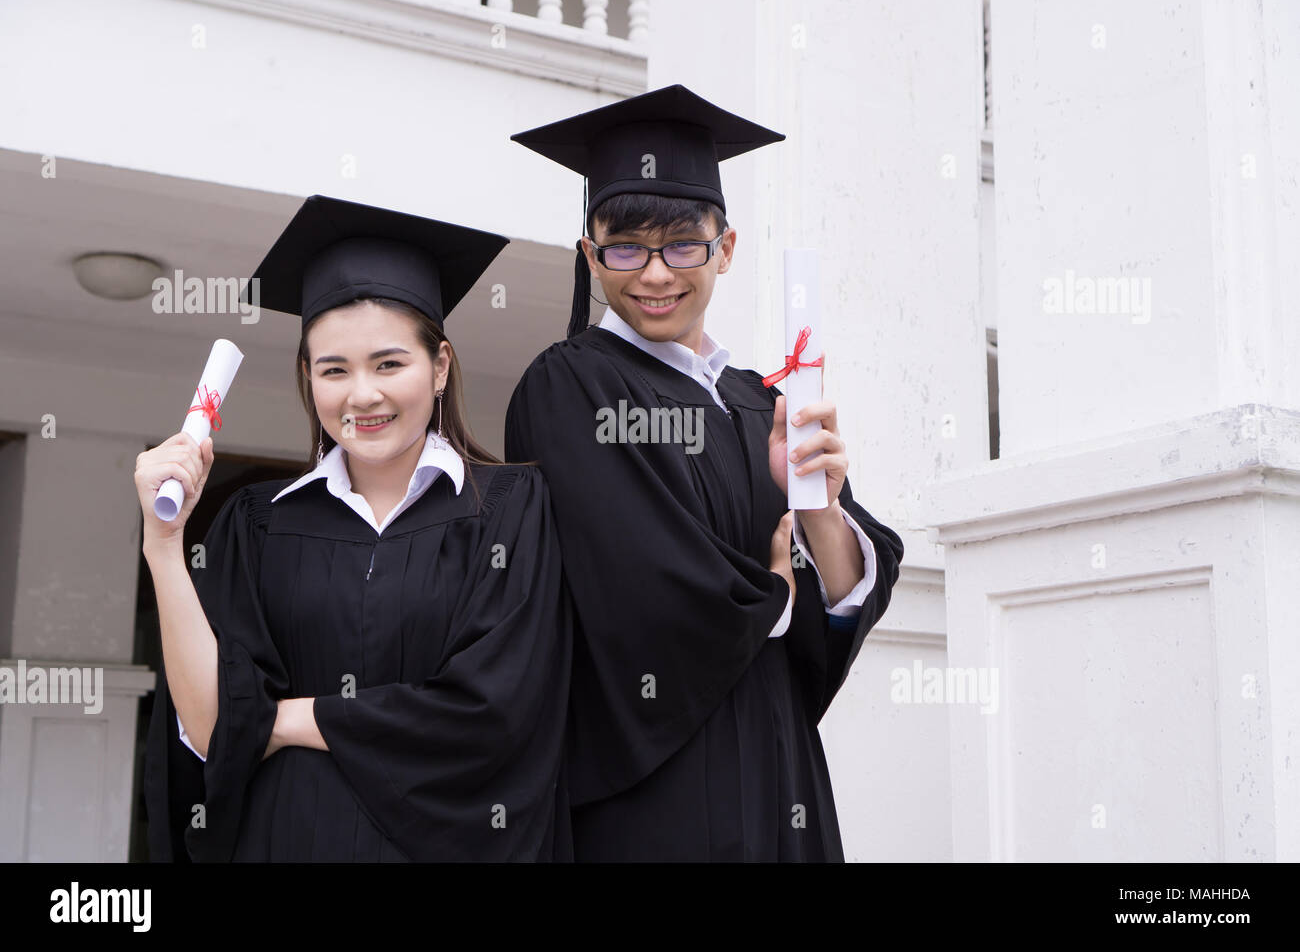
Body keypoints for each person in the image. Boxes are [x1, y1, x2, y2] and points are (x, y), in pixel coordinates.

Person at [506, 85, 904, 861]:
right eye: (625, 247)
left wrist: (817, 504)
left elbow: (845, 598)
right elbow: (630, 576)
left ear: (725, 248)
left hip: (783, 769)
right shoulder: (569, 384)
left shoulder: (766, 401)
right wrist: (774, 595)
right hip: (653, 788)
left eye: (683, 245)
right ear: (591, 254)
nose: (655, 274)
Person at [137, 195, 571, 861]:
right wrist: (164, 548)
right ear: (308, 380)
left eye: (389, 364)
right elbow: (210, 727)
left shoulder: (512, 509)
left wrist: (286, 717)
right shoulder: (258, 524)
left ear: (441, 366)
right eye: (333, 370)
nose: (362, 394)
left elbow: (495, 711)